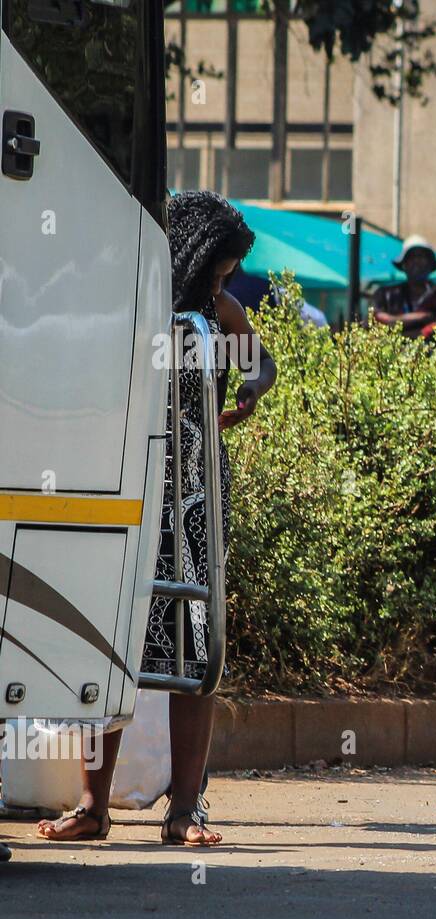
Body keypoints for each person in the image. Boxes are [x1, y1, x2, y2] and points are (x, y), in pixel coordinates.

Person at [36, 191, 278, 847]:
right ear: (193, 254)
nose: (226, 280)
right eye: (220, 267)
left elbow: (261, 360)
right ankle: (94, 804)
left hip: (195, 496)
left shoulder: (213, 312)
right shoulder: (127, 300)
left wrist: (250, 390)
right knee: (104, 640)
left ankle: (186, 807)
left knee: (194, 640)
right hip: (124, 488)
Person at [373, 235, 436, 338]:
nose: (417, 262)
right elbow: (381, 319)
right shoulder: (385, 295)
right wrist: (423, 317)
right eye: (412, 257)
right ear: (404, 264)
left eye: (422, 257)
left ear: (431, 264)